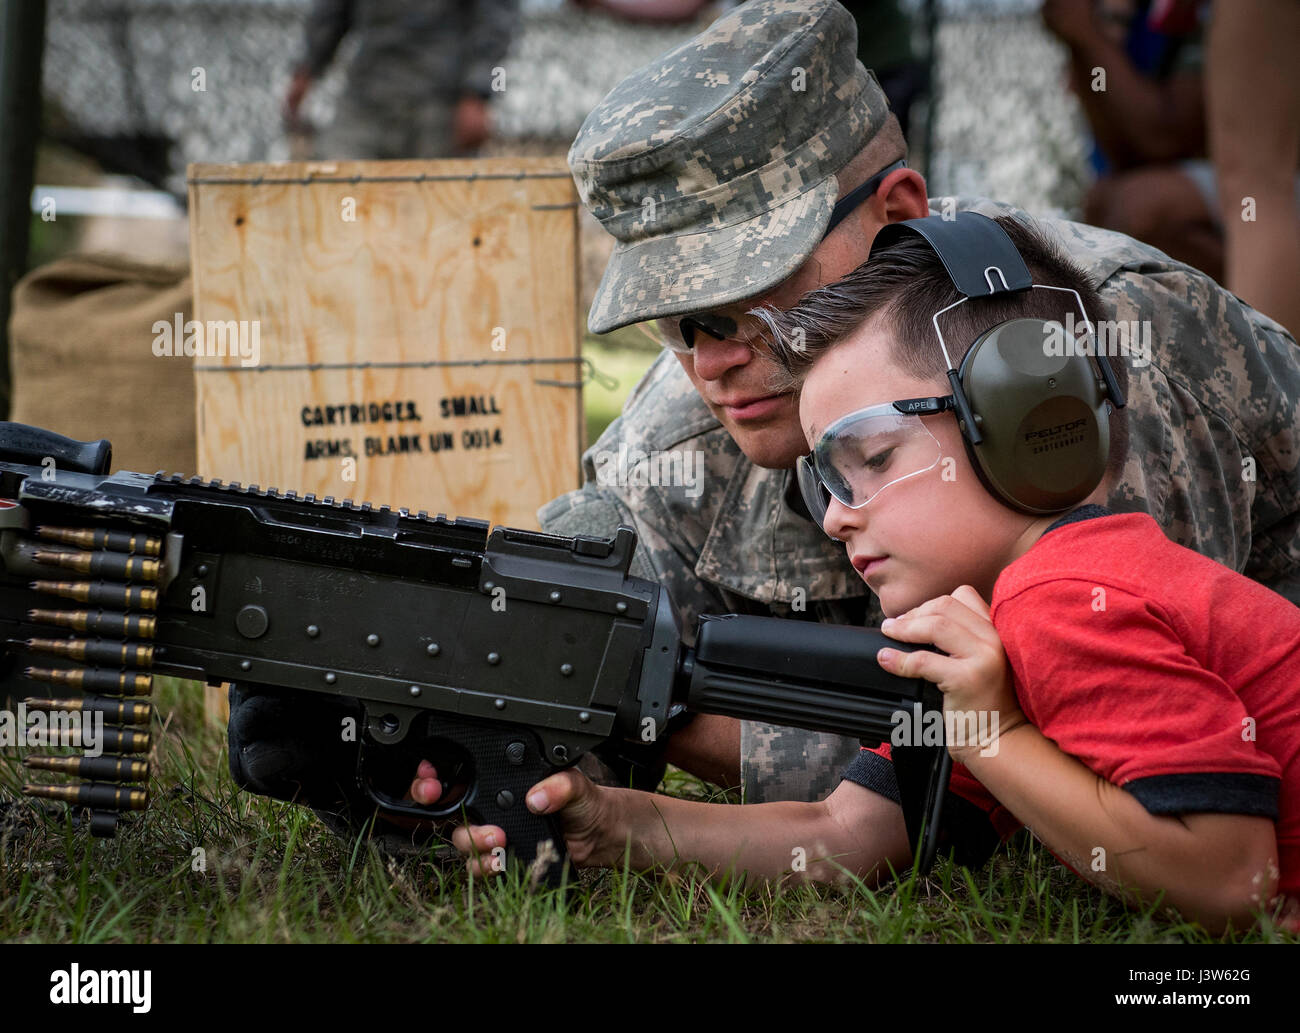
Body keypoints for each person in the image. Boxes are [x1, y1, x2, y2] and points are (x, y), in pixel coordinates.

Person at [230, 0, 1300, 847]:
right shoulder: (677, 441)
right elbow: (580, 688)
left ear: (900, 215)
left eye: (753, 294)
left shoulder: (1085, 356)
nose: (711, 358)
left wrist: (666, 720)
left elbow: (1103, 793)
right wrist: (452, 720)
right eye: (679, 318)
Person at [441, 212, 1300, 935]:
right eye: (825, 476)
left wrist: (992, 739)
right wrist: (617, 826)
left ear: (1016, 418)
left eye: (869, 456)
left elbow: (1231, 877)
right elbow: (844, 830)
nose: (837, 513)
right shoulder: (1001, 621)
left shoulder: (1064, 599)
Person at [284, 0, 520, 160]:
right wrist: (306, 70)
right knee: (336, 185)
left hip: (440, 102)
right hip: (367, 95)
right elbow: (333, 10)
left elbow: (495, 26)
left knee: (440, 203)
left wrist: (479, 95)